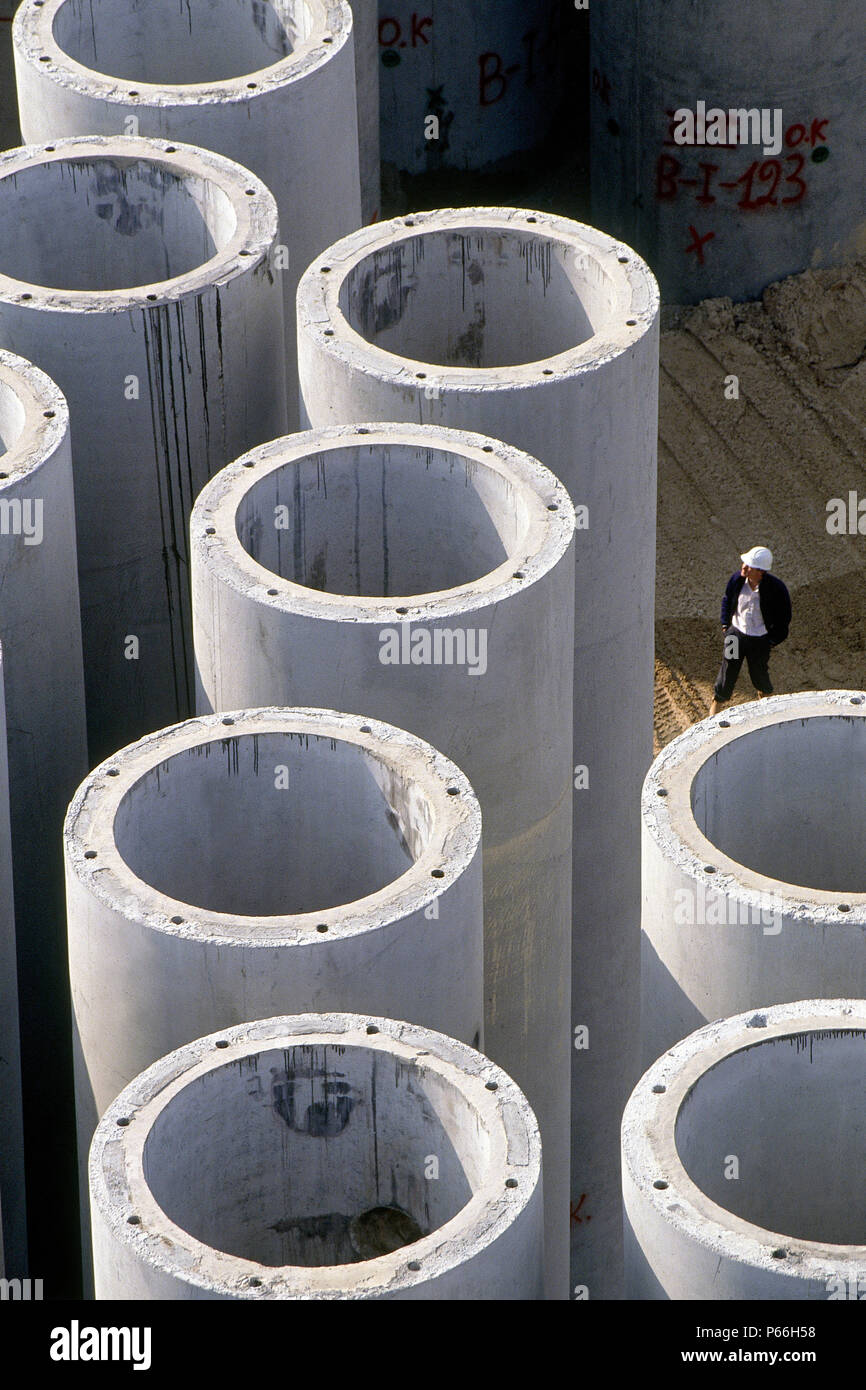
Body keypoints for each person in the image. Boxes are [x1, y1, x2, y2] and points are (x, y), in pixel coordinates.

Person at [709, 546, 791, 716]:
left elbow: (784, 617)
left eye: (749, 566)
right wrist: (725, 626)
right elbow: (726, 600)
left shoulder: (776, 589)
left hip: (759, 641)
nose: (744, 567)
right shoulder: (737, 580)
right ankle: (716, 706)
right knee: (728, 670)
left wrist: (772, 641)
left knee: (759, 672)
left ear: (761, 572)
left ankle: (766, 706)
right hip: (735, 636)